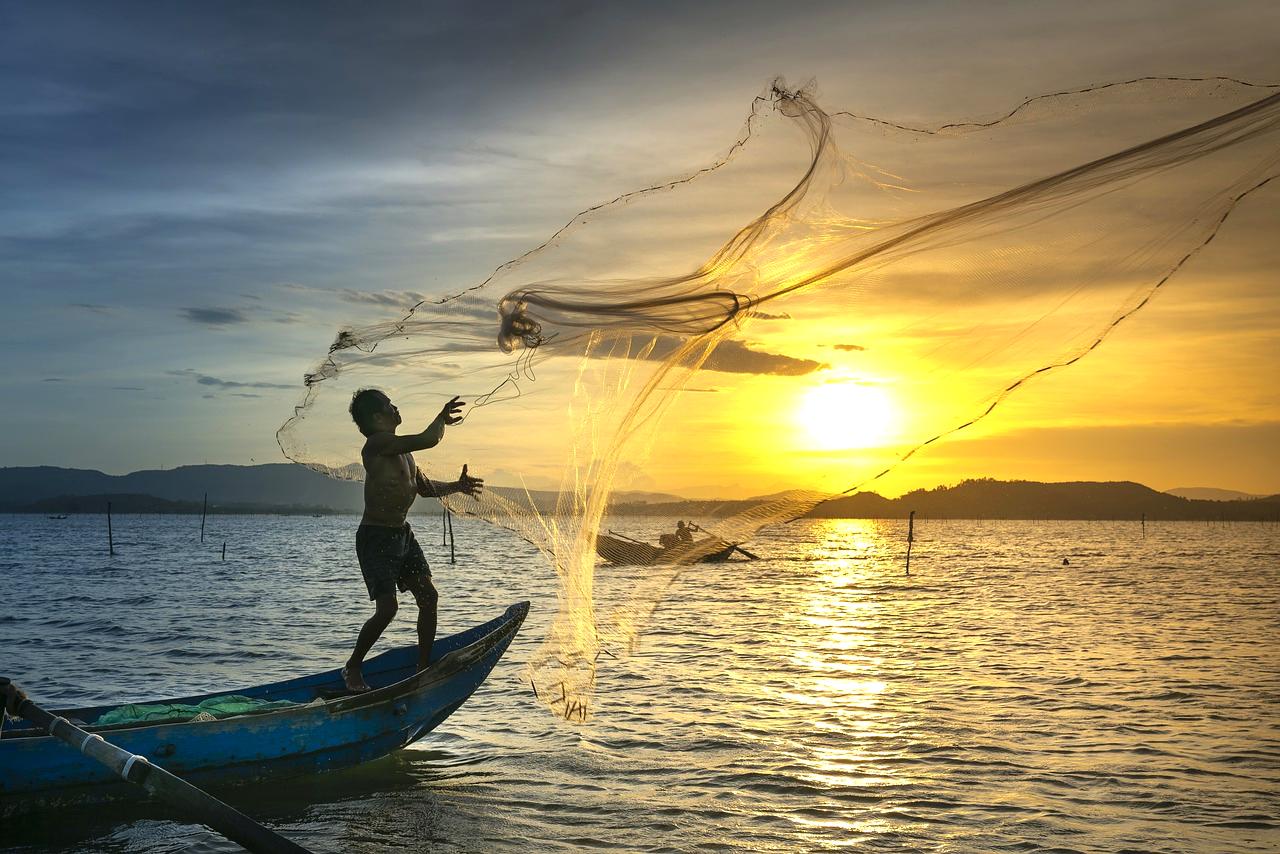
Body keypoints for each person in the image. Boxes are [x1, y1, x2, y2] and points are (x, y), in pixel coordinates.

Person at [342, 388, 483, 693]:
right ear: (378, 417)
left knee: (428, 597)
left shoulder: (404, 453)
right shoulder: (378, 445)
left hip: (402, 534)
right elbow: (429, 438)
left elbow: (426, 489)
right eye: (390, 405)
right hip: (376, 536)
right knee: (388, 608)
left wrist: (457, 486)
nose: (396, 407)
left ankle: (422, 668)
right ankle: (352, 667)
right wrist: (441, 419)